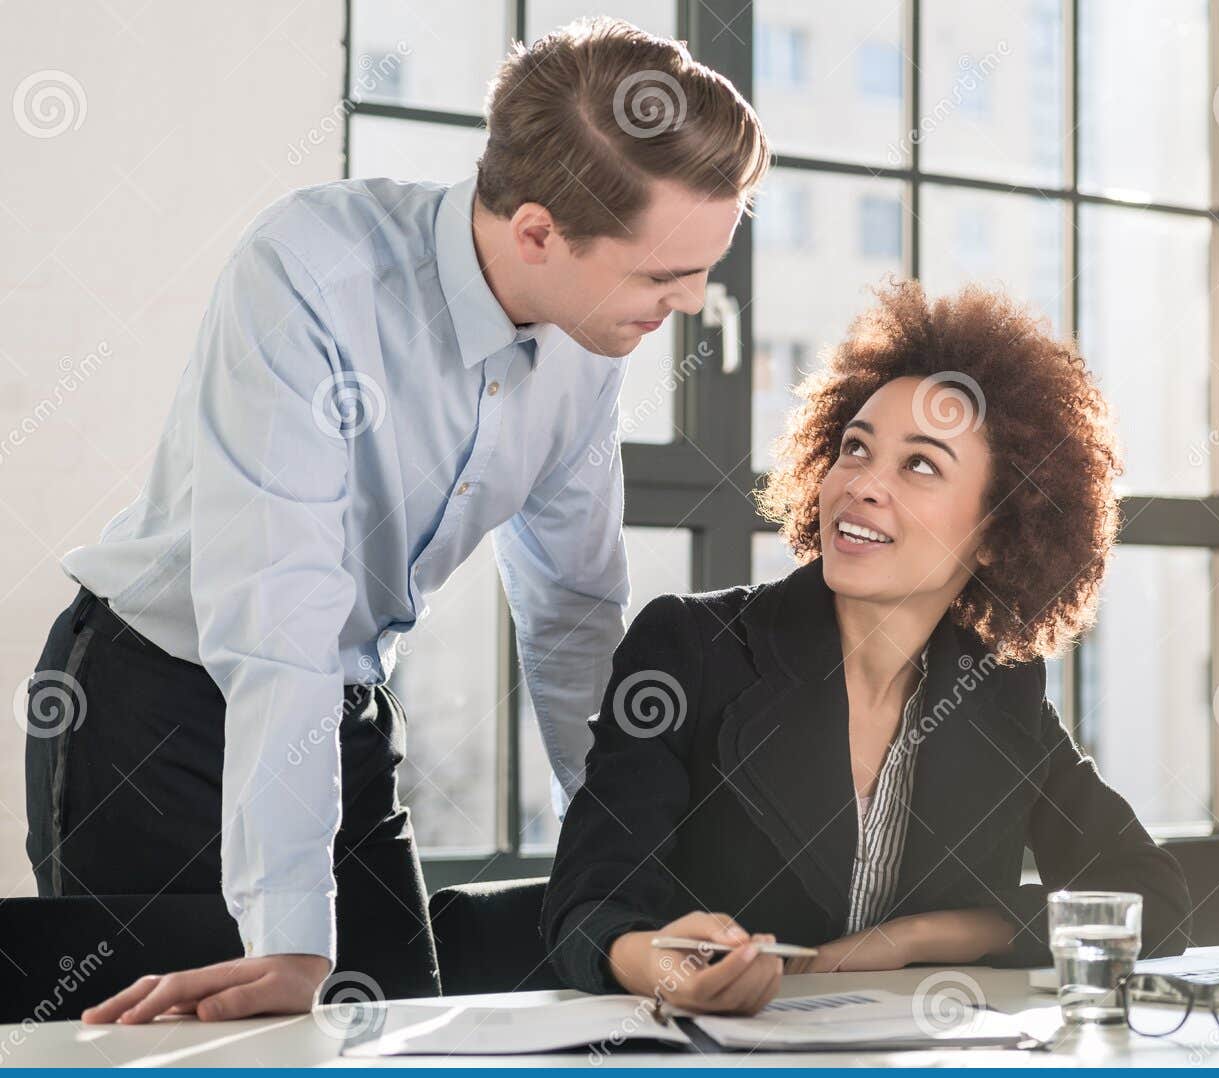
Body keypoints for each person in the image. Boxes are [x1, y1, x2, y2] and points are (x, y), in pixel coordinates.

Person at [20, 17, 770, 1024]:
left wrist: (629, 875)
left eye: (704, 269)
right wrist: (290, 935)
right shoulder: (312, 272)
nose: (691, 302)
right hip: (152, 707)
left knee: (398, 1044)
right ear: (538, 233)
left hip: (343, 706)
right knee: (184, 1066)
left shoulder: (591, 336)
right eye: (660, 275)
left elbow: (574, 616)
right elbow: (278, 608)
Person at [540, 279, 1194, 1015]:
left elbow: (1152, 896)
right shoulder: (690, 650)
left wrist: (925, 937)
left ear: (999, 532)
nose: (863, 485)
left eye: (920, 464)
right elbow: (588, 905)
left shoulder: (998, 688)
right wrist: (656, 964)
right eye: (855, 448)